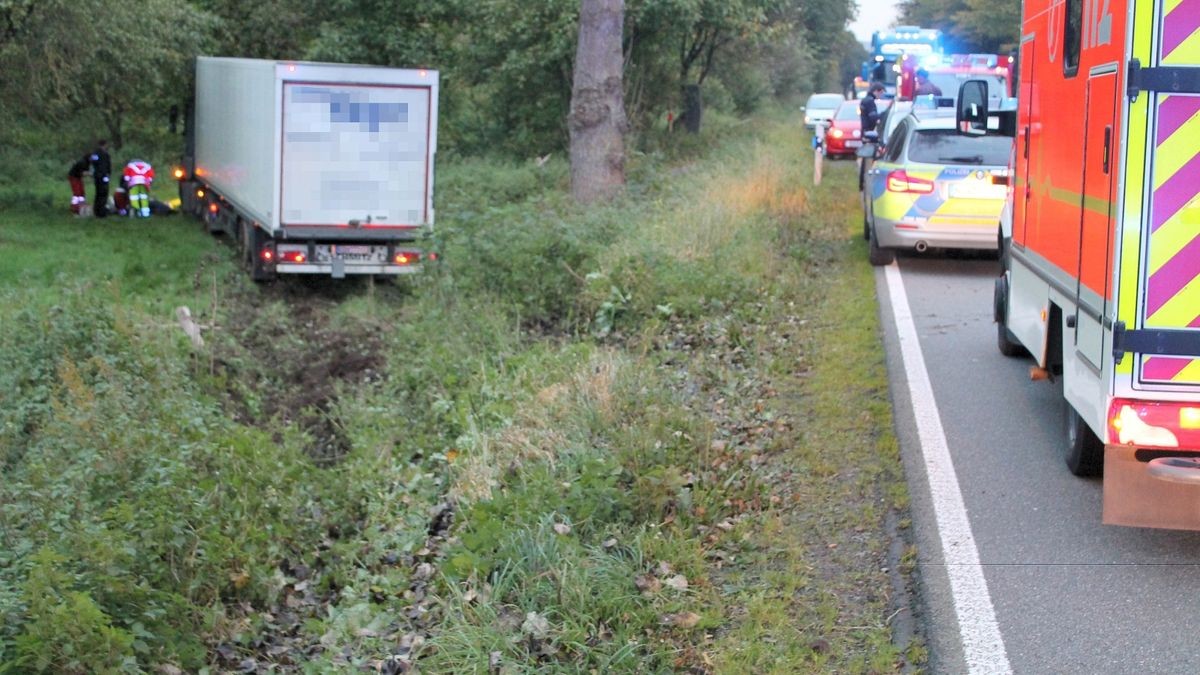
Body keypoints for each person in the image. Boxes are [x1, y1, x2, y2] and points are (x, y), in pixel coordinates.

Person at [89, 140, 112, 218]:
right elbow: (106, 166)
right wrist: (107, 174)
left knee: (99, 193)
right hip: (102, 176)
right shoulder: (104, 154)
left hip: (98, 176)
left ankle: (98, 210)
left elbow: (92, 163)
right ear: (105, 145)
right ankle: (101, 211)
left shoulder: (95, 154)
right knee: (103, 193)